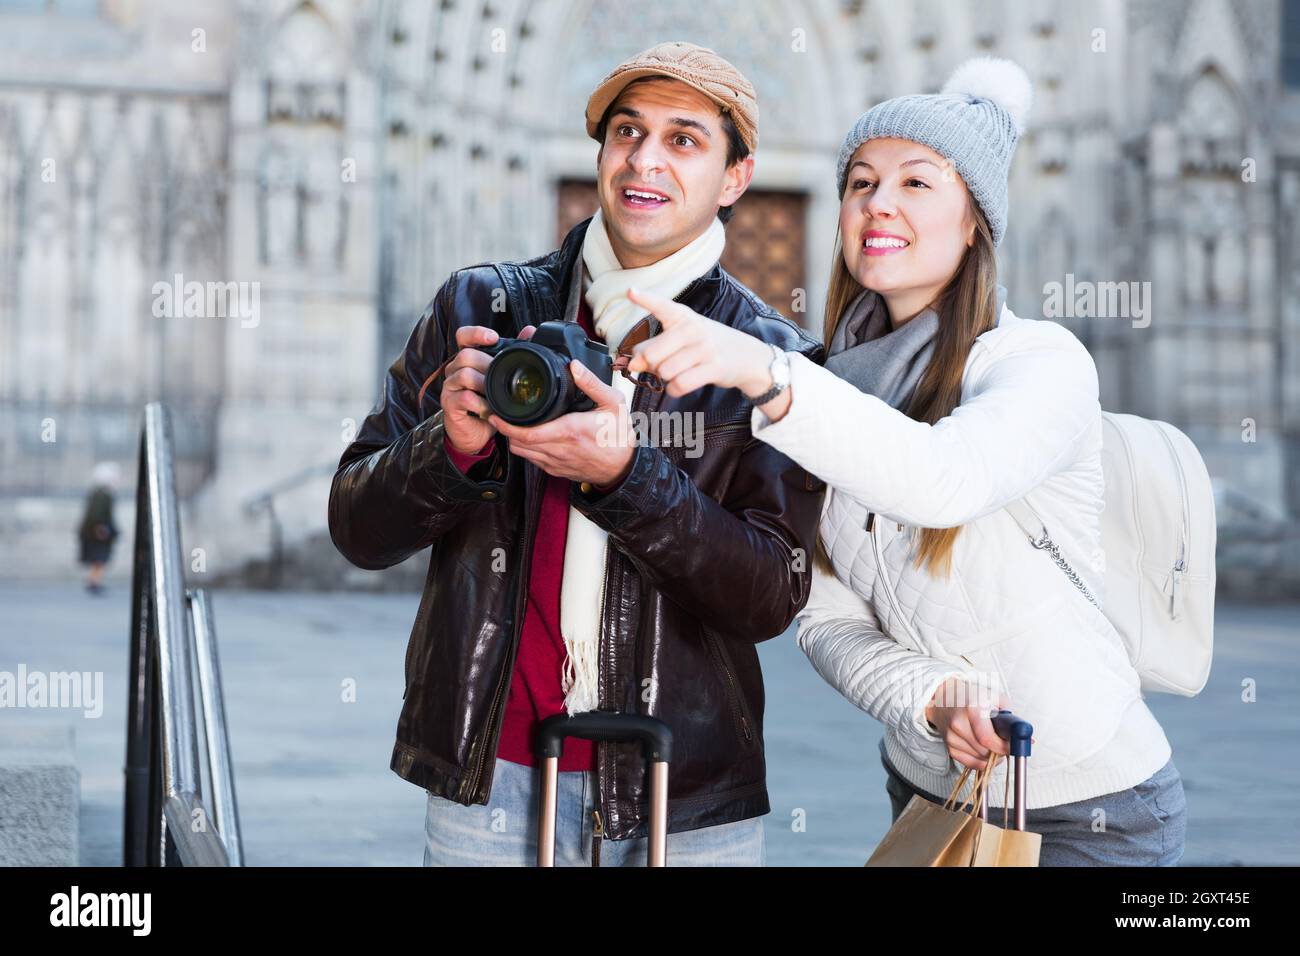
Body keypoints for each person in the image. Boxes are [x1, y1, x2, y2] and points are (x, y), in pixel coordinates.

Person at [626, 57, 1187, 866]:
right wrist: (929, 698)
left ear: (974, 222)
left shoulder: (1037, 362)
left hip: (1089, 804)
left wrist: (760, 370)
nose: (877, 203)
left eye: (916, 183)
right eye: (859, 182)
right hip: (931, 788)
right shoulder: (819, 387)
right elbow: (819, 614)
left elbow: (941, 481)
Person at [328, 41, 825, 866]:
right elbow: (356, 528)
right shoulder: (478, 306)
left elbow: (772, 593)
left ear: (736, 179)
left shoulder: (771, 359)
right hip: (494, 775)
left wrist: (628, 478)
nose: (646, 160)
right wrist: (446, 450)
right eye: (627, 132)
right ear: (600, 153)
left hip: (685, 787)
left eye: (684, 139)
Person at [78, 461, 121, 595]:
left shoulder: (96, 494)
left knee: (97, 559)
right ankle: (94, 582)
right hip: (99, 534)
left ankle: (94, 581)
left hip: (94, 533)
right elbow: (98, 515)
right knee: (99, 559)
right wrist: (101, 529)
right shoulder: (103, 495)